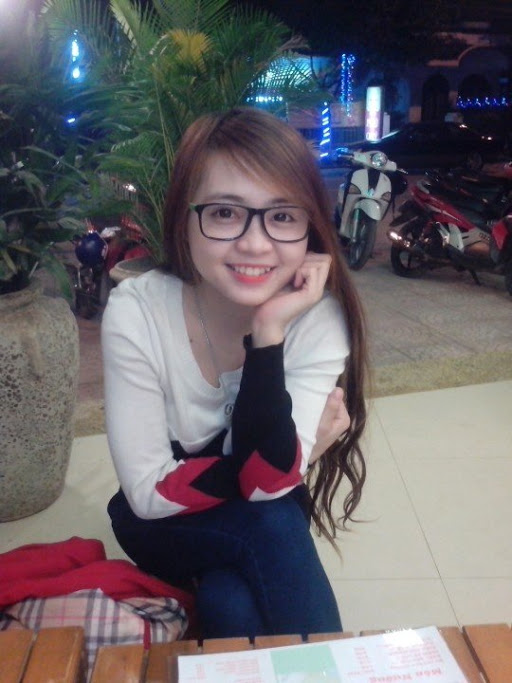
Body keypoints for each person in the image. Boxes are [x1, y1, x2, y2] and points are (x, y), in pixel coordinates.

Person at [102, 107, 368, 639]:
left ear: (310, 227)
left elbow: (268, 483)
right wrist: (289, 459)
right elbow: (151, 495)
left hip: (254, 516)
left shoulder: (316, 318)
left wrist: (268, 331)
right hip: (161, 526)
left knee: (230, 602)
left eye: (283, 216)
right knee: (272, 521)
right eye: (225, 213)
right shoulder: (139, 312)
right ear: (184, 218)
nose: (255, 243)